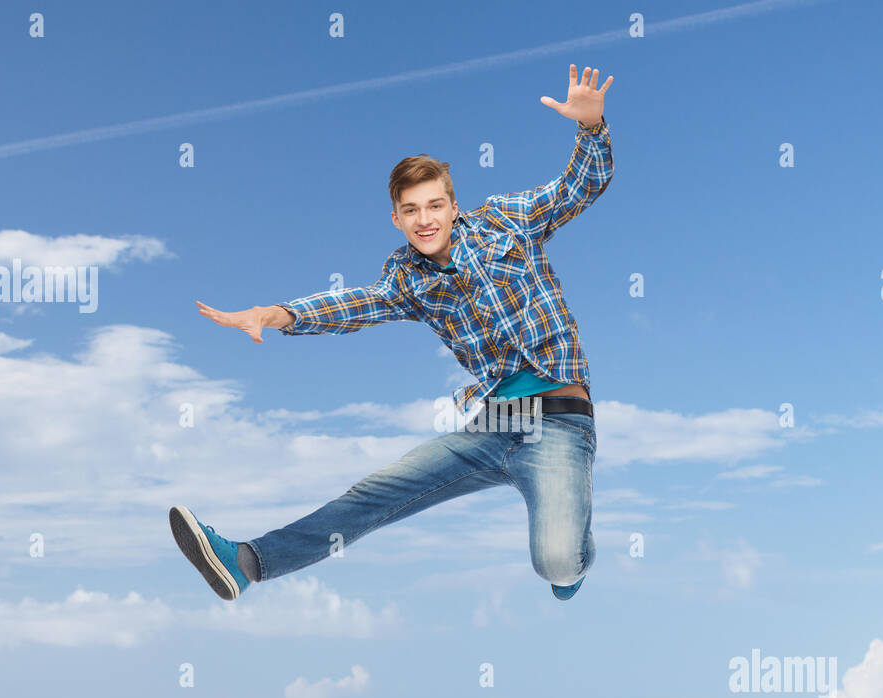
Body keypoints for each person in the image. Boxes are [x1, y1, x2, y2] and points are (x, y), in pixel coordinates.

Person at [173, 63, 614, 604]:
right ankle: (246, 562)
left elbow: (579, 187)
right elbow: (355, 304)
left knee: (555, 562)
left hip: (561, 423)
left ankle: (574, 562)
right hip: (491, 425)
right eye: (411, 211)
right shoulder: (407, 277)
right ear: (397, 219)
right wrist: (275, 314)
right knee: (373, 493)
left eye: (434, 206)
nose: (425, 220)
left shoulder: (506, 221)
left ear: (454, 206)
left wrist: (590, 127)